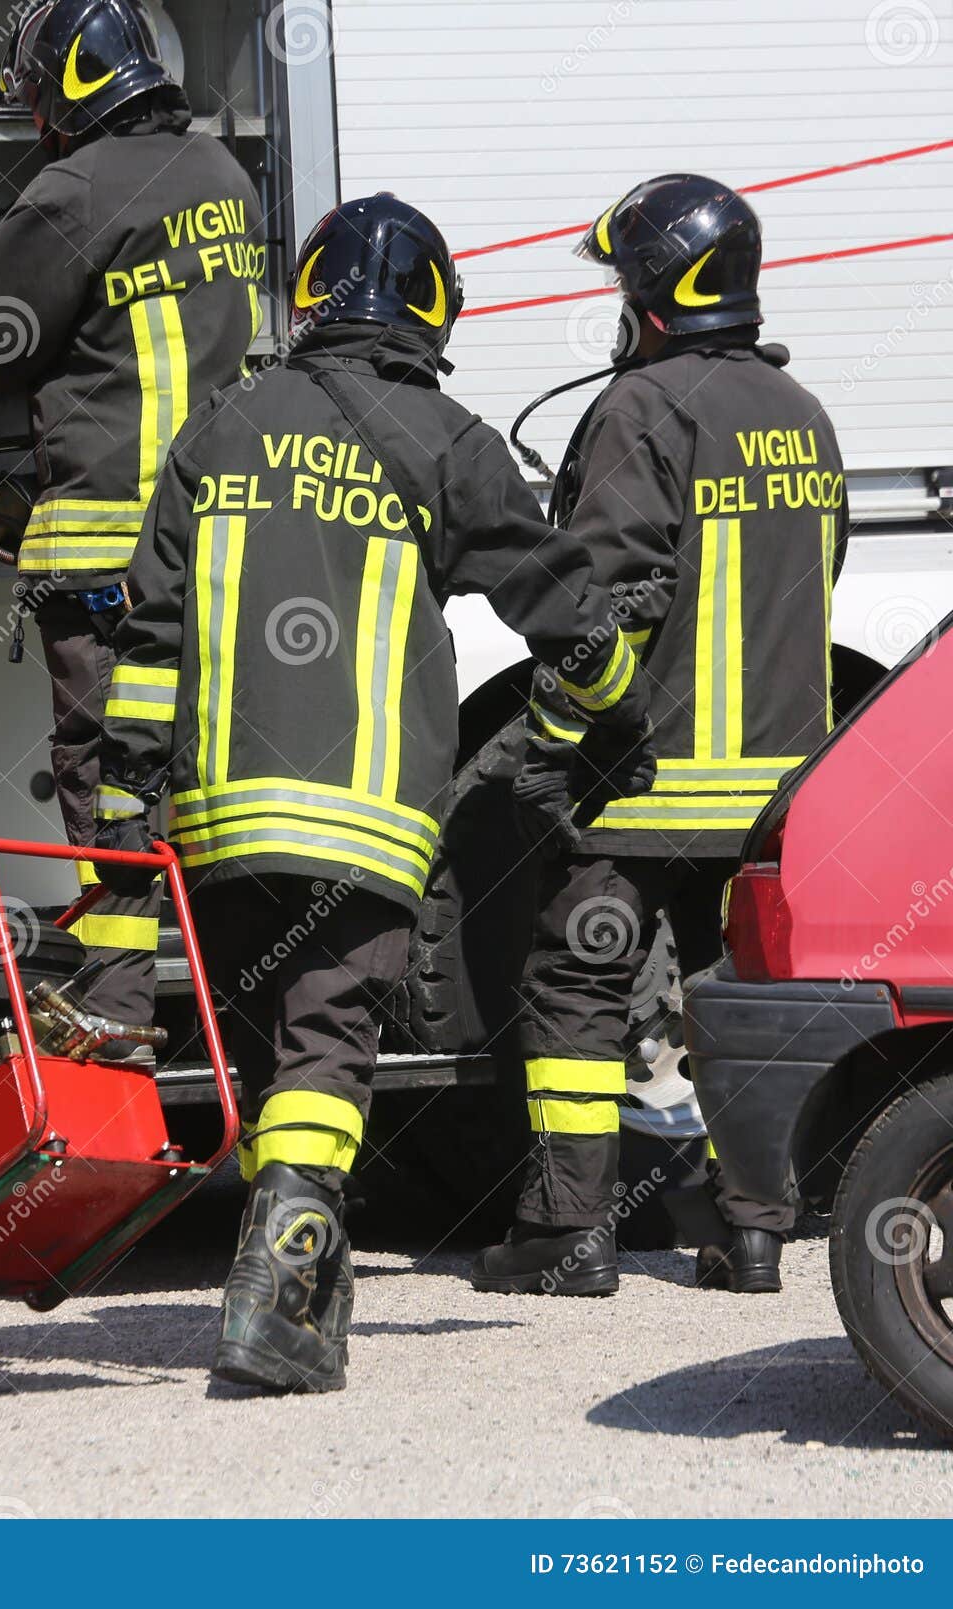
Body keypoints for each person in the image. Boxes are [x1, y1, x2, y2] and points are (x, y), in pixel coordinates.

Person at [92, 195, 657, 1393]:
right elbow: (559, 607)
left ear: (305, 296)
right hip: (361, 819)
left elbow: (143, 641)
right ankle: (280, 1305)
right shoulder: (446, 441)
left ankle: (290, 1269)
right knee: (327, 1048)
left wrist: (128, 798)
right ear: (434, 308)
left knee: (260, 1053)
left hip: (219, 819)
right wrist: (611, 696)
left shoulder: (219, 427)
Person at [471, 174, 848, 1299]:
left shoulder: (639, 411)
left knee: (576, 984)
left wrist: (555, 738)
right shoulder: (803, 414)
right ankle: (753, 1236)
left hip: (642, 784)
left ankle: (569, 1236)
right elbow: (818, 580)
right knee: (734, 995)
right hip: (776, 796)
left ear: (652, 293)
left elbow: (607, 604)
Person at [0, 0, 263, 1051]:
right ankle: (228, 992)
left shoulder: (72, 188)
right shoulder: (221, 179)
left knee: (107, 772)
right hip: (218, 543)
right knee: (202, 770)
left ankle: (112, 1001)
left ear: (57, 90)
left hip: (108, 550)